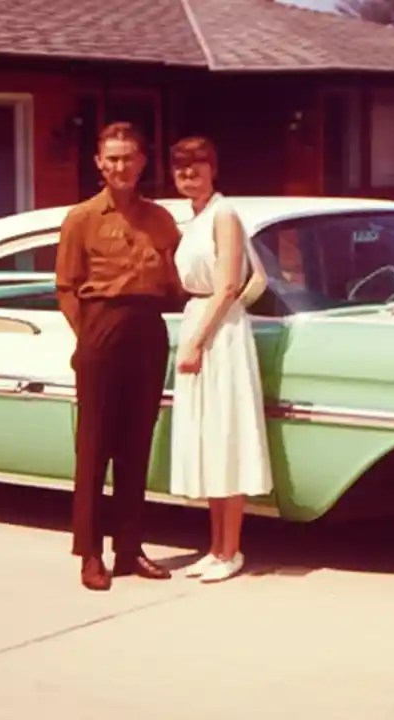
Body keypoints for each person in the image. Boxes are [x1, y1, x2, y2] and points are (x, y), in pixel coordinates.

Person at [55, 121, 183, 591]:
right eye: (112, 158)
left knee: (136, 445)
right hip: (100, 328)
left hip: (148, 329)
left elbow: (175, 282)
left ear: (142, 162)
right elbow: (66, 287)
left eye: (128, 157)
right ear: (98, 164)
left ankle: (129, 549)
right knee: (94, 447)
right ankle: (89, 553)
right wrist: (89, 336)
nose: (120, 166)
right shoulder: (82, 218)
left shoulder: (161, 220)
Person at [167, 136, 273, 583]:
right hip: (199, 317)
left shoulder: (224, 214)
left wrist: (196, 343)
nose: (189, 175)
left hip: (220, 327)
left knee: (225, 435)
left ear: (214, 168)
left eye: (197, 167)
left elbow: (228, 284)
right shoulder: (192, 219)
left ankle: (231, 549)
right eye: (181, 169)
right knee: (209, 438)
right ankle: (214, 548)